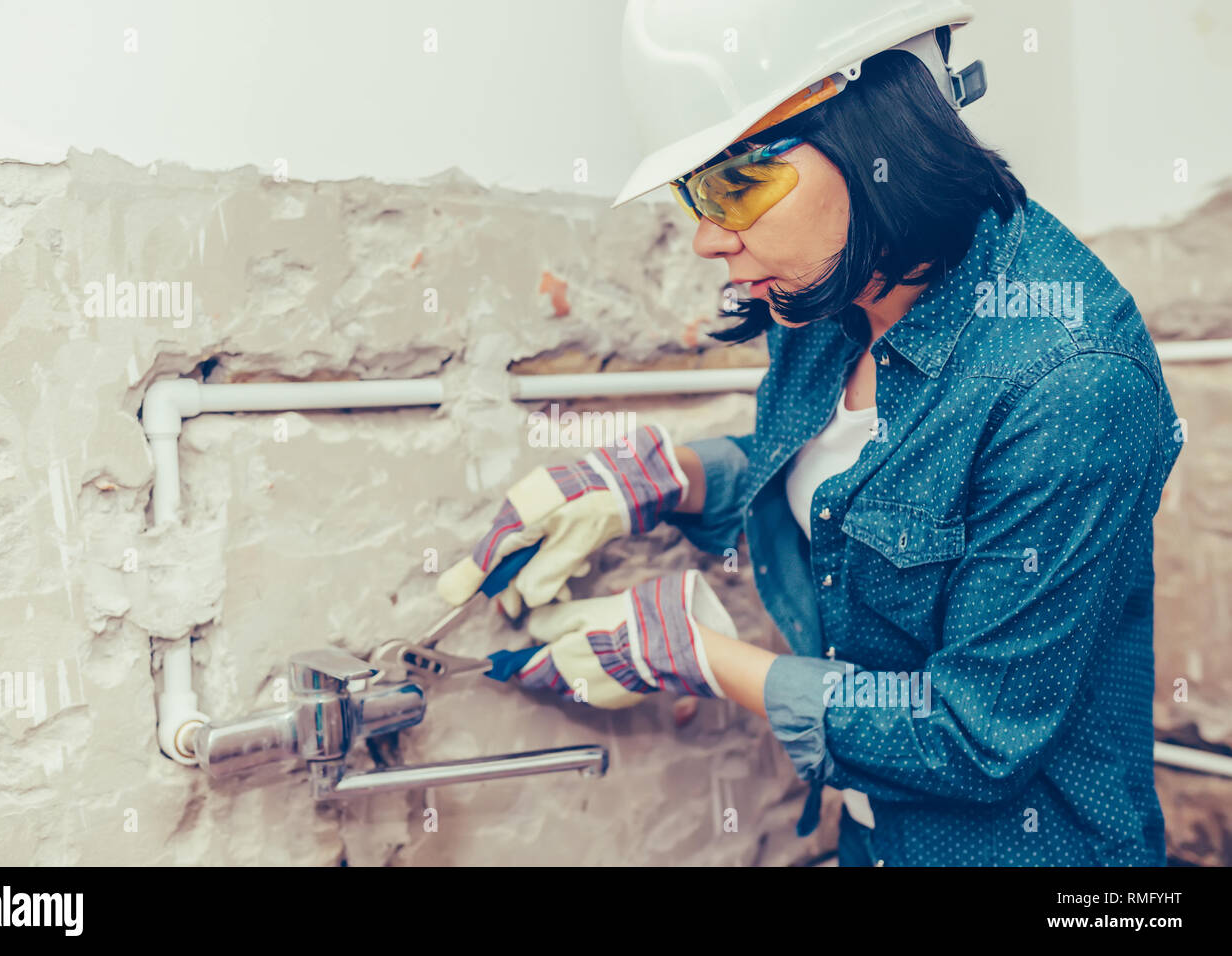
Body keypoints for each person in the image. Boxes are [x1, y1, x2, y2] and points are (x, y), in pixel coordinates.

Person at [437, 0, 1183, 866]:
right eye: (694, 192)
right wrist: (664, 477)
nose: (708, 240)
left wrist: (703, 659)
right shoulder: (826, 285)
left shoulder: (1072, 386)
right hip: (872, 838)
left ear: (880, 135)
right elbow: (848, 468)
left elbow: (976, 739)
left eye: (736, 186)